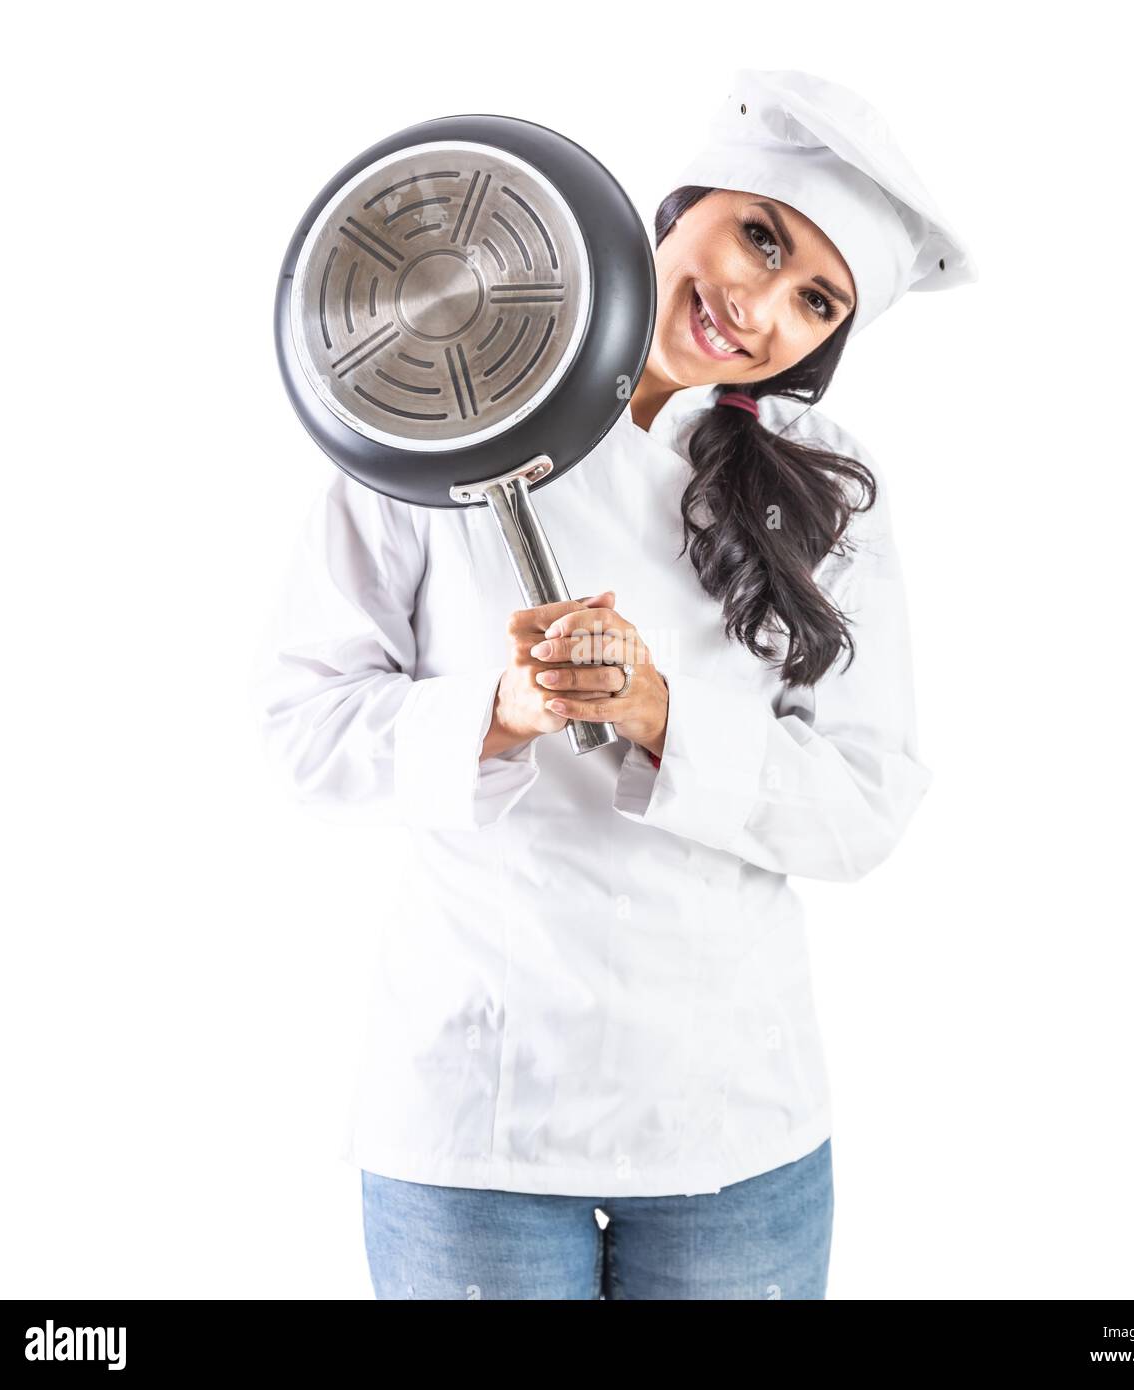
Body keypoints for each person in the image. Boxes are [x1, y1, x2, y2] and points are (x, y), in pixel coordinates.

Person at [253, 68, 976, 1300]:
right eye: (756, 234)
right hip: (473, 1113)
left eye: (815, 299)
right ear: (679, 205)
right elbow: (304, 727)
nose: (756, 303)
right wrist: (496, 712)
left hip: (732, 1119)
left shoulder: (827, 485)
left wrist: (656, 717)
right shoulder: (438, 408)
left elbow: (867, 799)